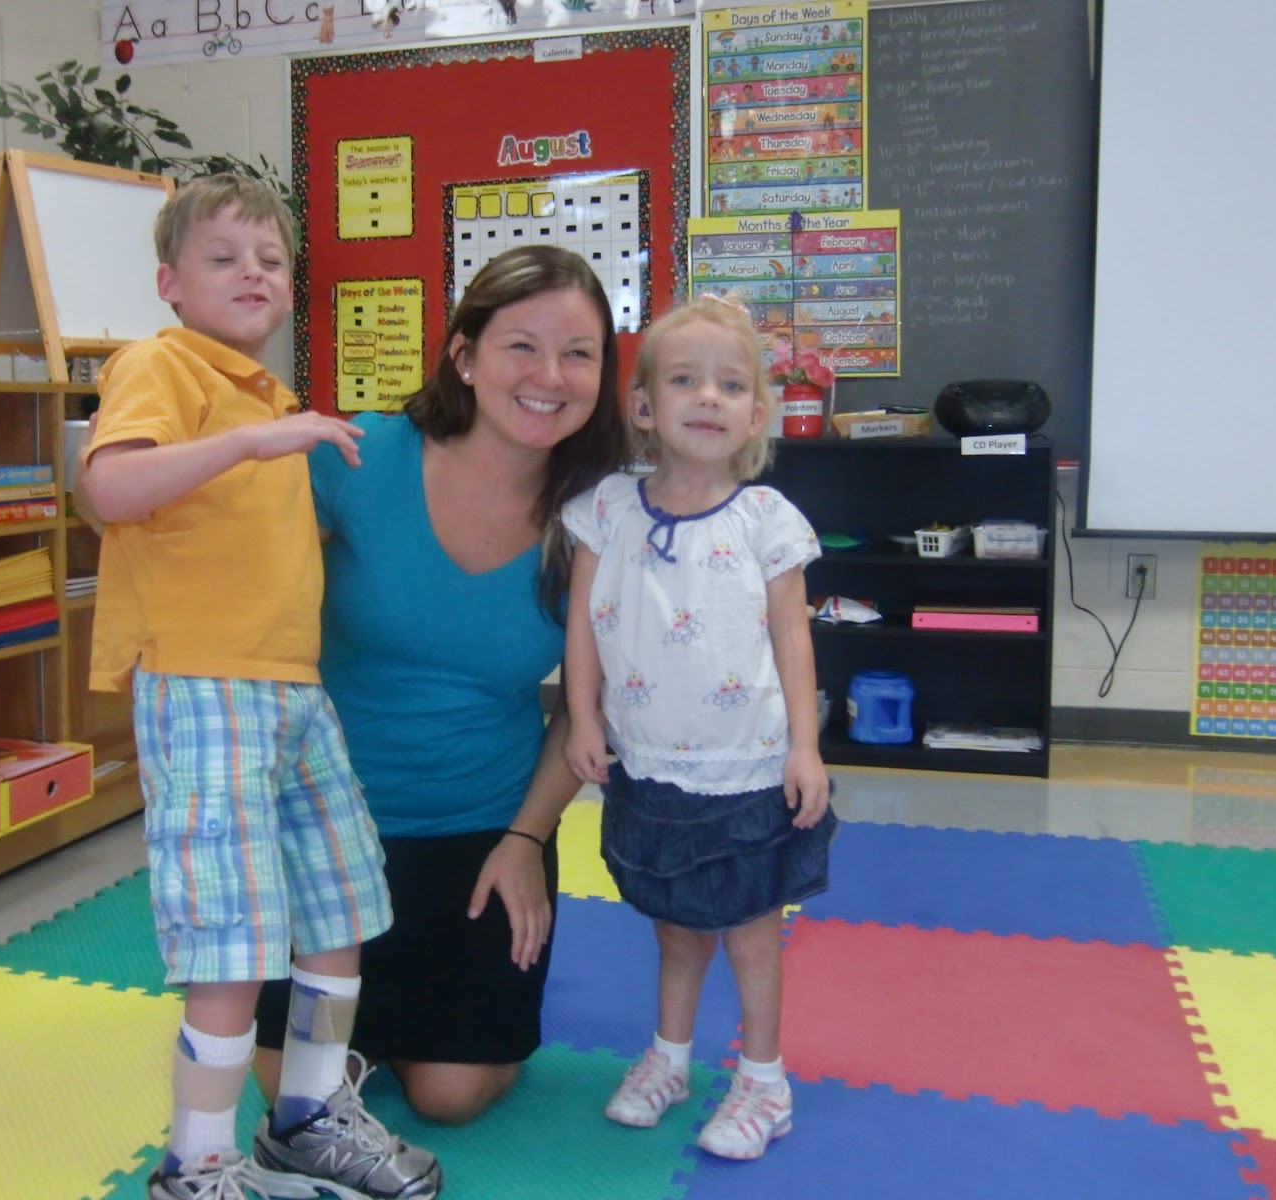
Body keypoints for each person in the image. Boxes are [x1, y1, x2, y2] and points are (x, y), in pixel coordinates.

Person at [78, 174, 441, 1200]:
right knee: (231, 941)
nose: (254, 273)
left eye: (271, 260)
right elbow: (106, 488)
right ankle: (195, 1163)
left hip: (290, 692)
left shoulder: (267, 394)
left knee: (338, 906)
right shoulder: (163, 363)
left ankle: (309, 1112)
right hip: (201, 687)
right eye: (224, 257)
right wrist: (249, 441)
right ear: (170, 283)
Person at [252, 245, 629, 1125]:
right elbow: (215, 561)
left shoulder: (599, 515)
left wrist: (526, 841)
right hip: (325, 825)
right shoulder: (357, 457)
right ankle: (366, 1020)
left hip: (481, 832)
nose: (551, 376)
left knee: (450, 1095)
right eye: (521, 347)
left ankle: (399, 1022)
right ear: (464, 356)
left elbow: (589, 709)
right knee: (290, 1087)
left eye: (579, 353)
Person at [559, 294, 836, 1161]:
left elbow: (794, 637)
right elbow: (581, 623)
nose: (706, 398)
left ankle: (764, 1080)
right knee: (675, 927)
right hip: (648, 763)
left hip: (747, 768)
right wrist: (579, 717)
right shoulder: (607, 509)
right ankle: (670, 1057)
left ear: (758, 411)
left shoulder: (766, 521)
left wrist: (804, 746)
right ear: (645, 407)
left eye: (729, 384)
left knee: (752, 930)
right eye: (684, 381)